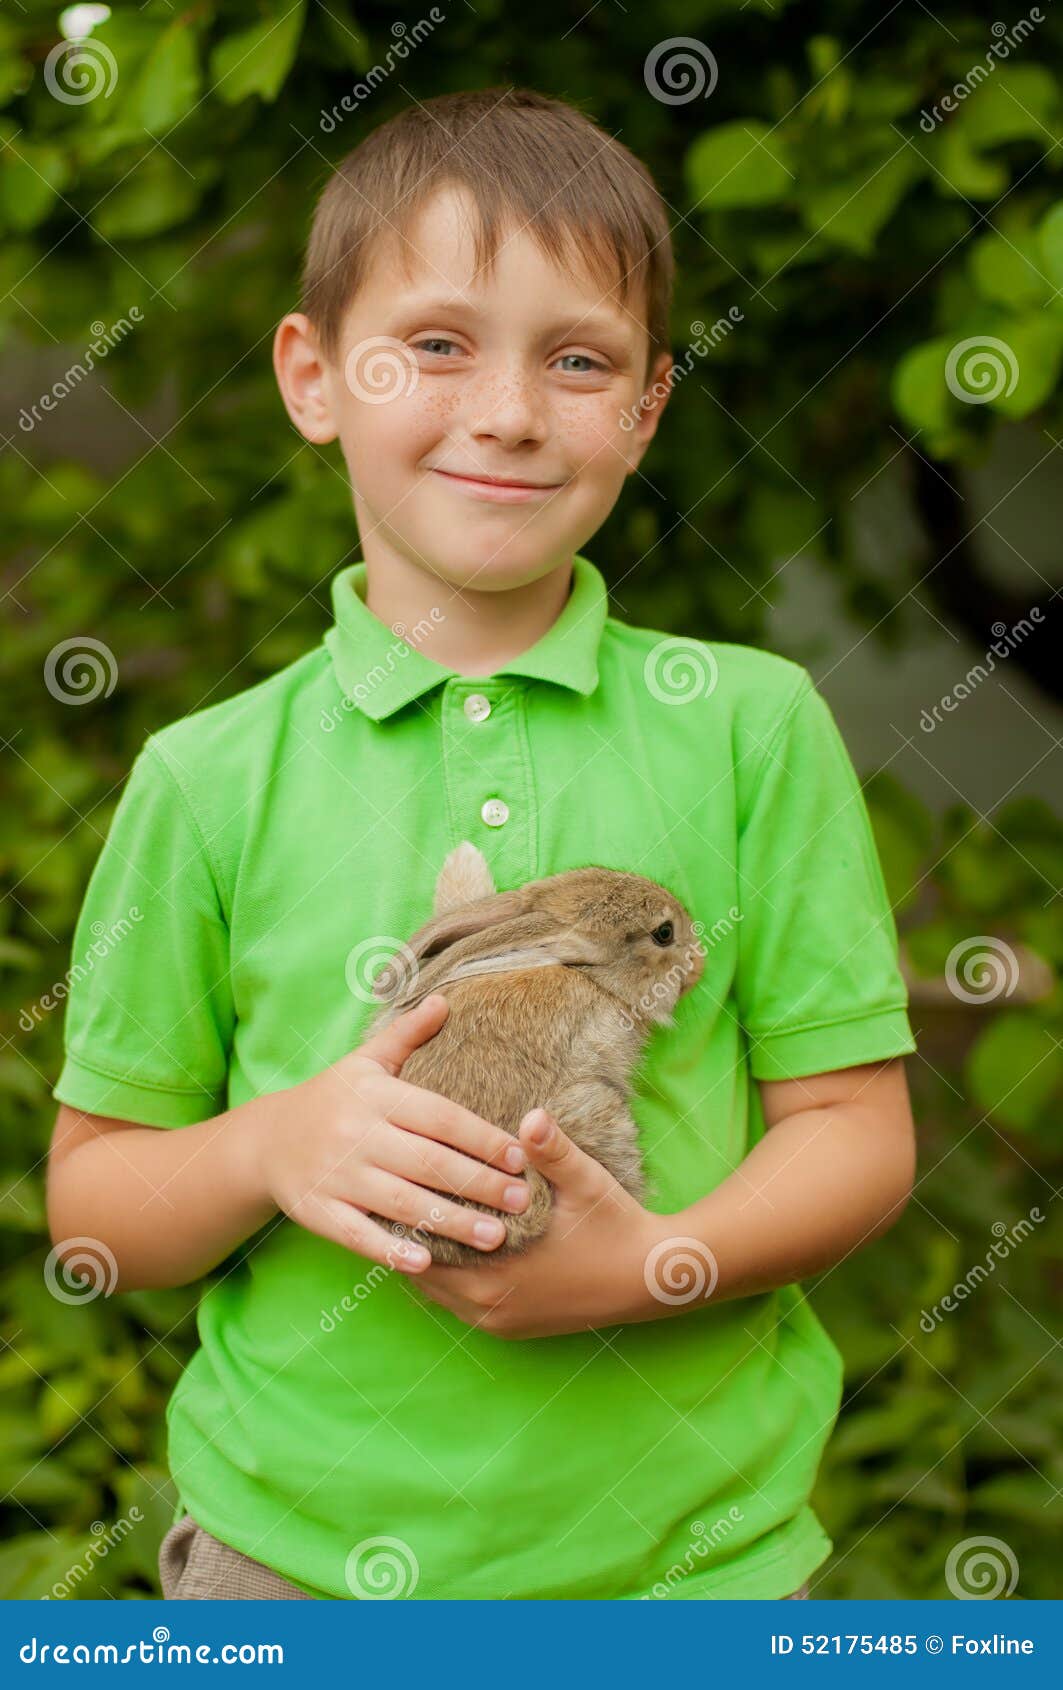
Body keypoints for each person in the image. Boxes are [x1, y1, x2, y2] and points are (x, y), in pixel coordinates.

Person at [46, 87, 916, 1602]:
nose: (509, 410)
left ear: (645, 412)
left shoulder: (752, 727)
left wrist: (650, 1266)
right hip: (296, 1570)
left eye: (578, 361)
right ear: (315, 377)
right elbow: (98, 1212)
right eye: (439, 343)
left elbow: (854, 1129)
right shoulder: (206, 777)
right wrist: (275, 1141)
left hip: (691, 1575)